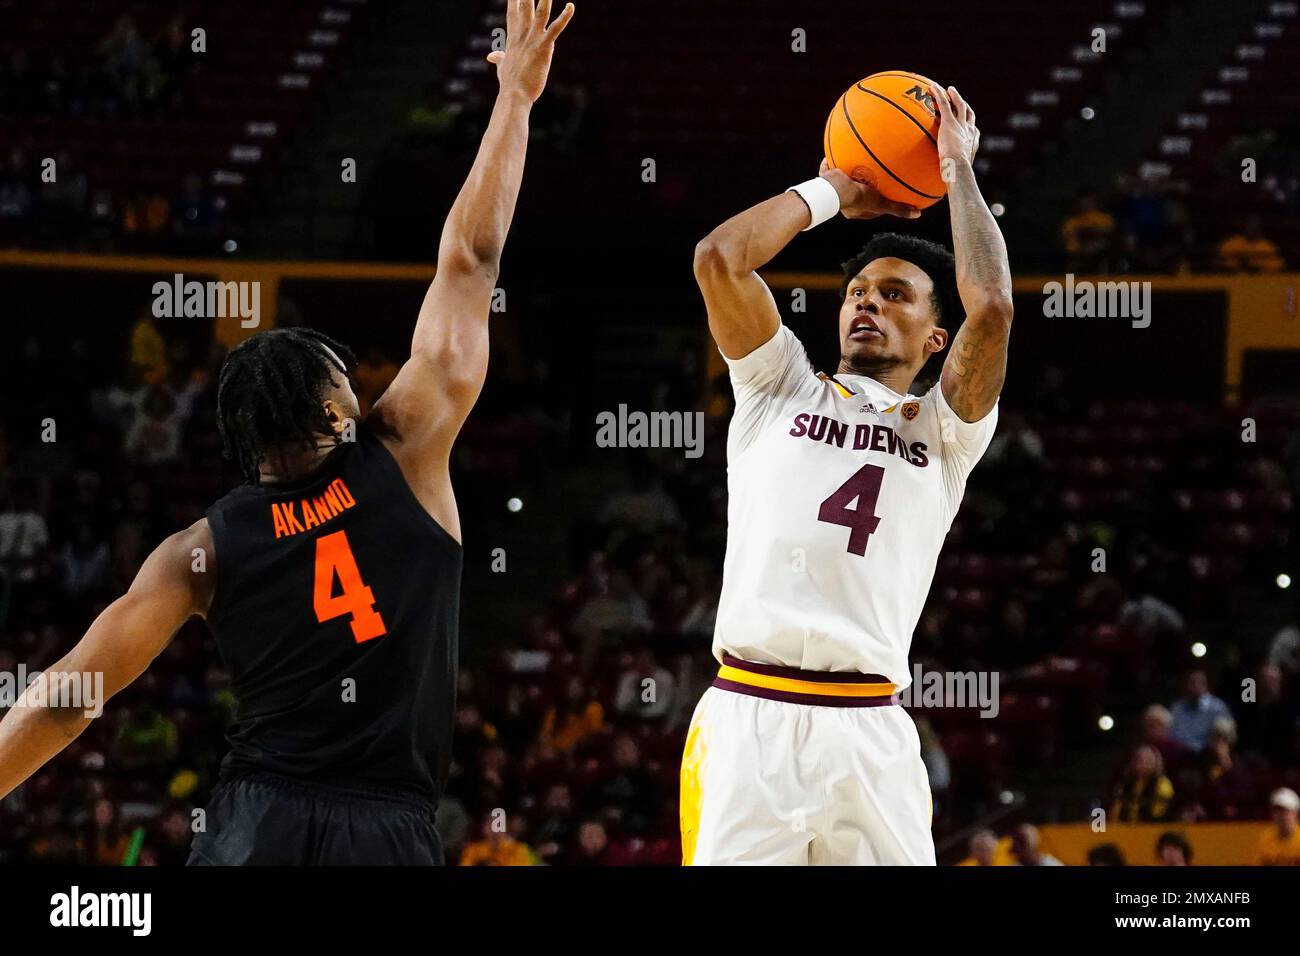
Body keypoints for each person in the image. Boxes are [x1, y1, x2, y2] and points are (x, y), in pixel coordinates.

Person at [0, 0, 576, 866]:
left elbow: (66, 699)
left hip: (252, 825)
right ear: (334, 413)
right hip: (385, 830)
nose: (365, 385)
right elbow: (469, 261)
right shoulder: (406, 449)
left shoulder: (200, 550)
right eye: (347, 378)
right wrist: (515, 102)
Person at [681, 83, 1011, 865]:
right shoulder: (777, 386)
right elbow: (718, 259)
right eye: (858, 293)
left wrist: (958, 169)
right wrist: (834, 187)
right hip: (750, 717)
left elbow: (993, 305)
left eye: (895, 296)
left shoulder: (944, 430)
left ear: (935, 339)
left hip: (870, 728)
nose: (867, 304)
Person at [1253, 787, 1300, 865]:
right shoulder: (1264, 840)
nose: (1282, 816)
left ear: (1296, 813)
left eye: (1286, 812)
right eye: (1277, 811)